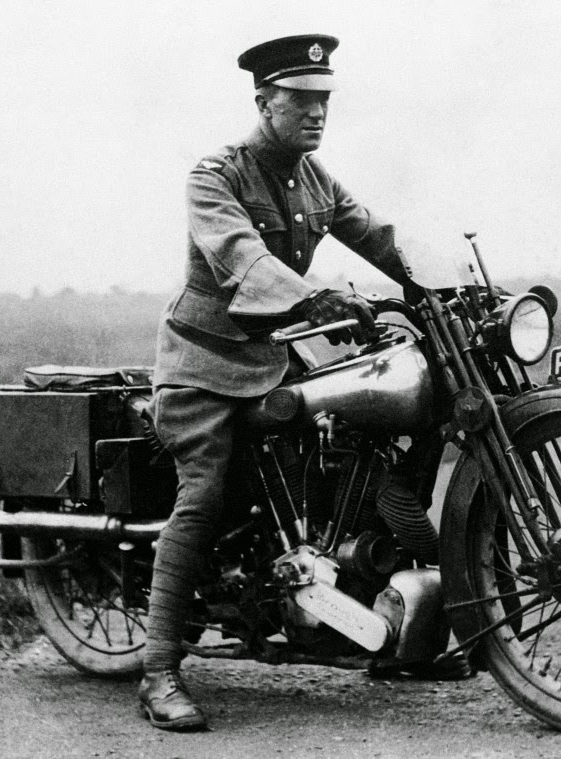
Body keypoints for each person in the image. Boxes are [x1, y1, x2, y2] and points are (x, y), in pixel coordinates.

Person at [139, 34, 418, 731]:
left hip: (270, 358)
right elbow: (242, 257)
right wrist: (313, 296)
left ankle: (360, 609)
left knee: (359, 431)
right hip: (202, 367)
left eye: (323, 99)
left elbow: (371, 232)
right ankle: (158, 671)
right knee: (201, 496)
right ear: (264, 101)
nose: (315, 112)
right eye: (299, 100)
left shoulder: (313, 177)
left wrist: (423, 287)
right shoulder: (216, 175)